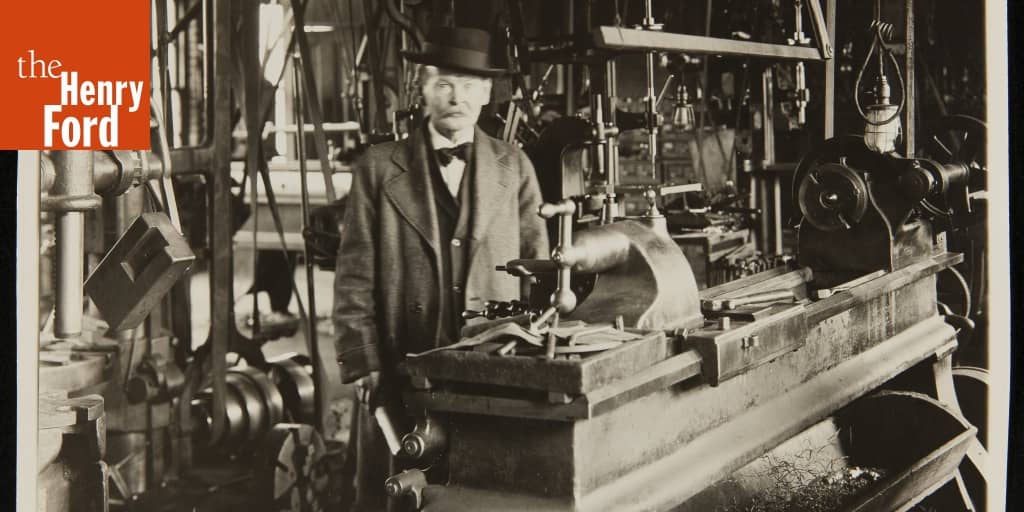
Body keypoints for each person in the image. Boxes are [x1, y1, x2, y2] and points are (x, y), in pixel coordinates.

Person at [332, 26, 549, 510]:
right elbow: (354, 273)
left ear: (488, 92)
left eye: (470, 85)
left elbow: (540, 271)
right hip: (401, 366)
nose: (458, 97)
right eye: (446, 83)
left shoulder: (514, 166)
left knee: (486, 491)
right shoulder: (378, 167)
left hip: (491, 369)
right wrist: (361, 357)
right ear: (423, 87)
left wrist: (536, 356)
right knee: (402, 490)